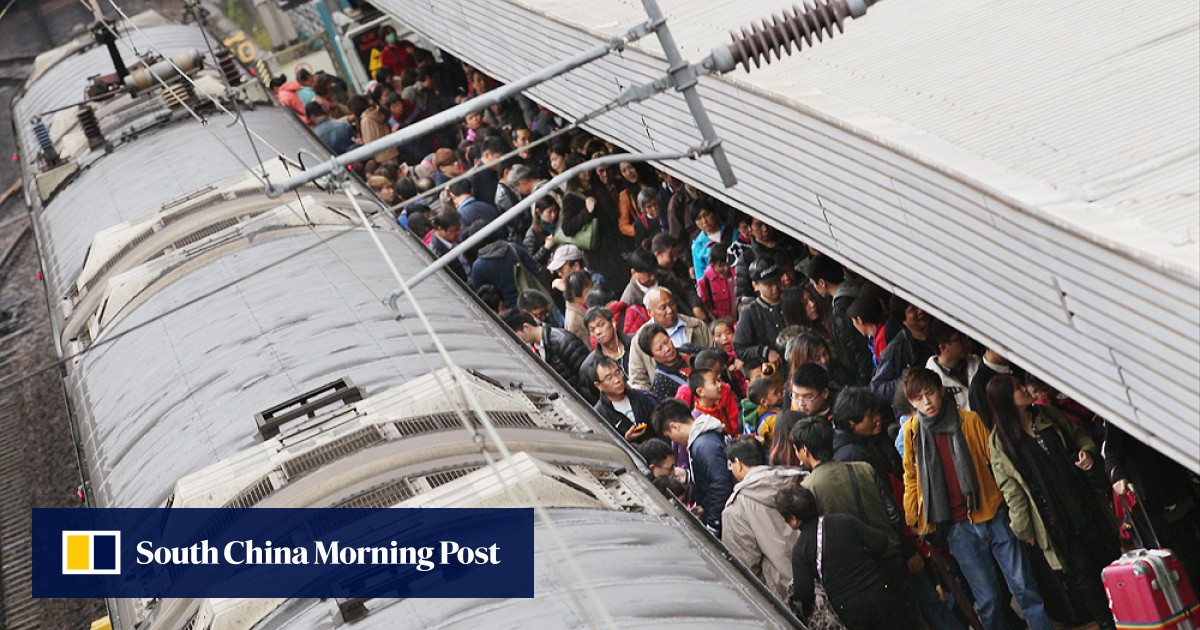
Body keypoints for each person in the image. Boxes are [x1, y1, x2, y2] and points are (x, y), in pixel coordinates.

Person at [900, 367, 1053, 630]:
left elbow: (996, 462)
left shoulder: (968, 420)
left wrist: (1011, 507)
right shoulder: (912, 433)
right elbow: (911, 475)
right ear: (911, 402)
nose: (926, 402)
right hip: (957, 528)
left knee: (1024, 587)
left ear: (940, 392)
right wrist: (913, 514)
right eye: (917, 398)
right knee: (989, 600)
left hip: (992, 513)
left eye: (930, 394)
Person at [987, 374, 1119, 630]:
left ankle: (1128, 614)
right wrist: (1023, 528)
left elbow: (1079, 435)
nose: (1024, 390)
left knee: (1109, 556)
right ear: (1004, 400)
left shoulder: (1045, 415)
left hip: (1083, 501)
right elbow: (1012, 490)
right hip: (1053, 519)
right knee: (1082, 573)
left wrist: (1087, 453)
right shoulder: (1001, 442)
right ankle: (1106, 624)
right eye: (1016, 389)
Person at [777, 484, 902, 630]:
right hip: (880, 590)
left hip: (850, 609)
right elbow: (881, 542)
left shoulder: (801, 549)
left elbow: (803, 594)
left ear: (793, 519)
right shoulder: (843, 520)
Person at [723, 436, 805, 601]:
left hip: (784, 597)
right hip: (822, 581)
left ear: (738, 464)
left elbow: (745, 567)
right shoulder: (799, 481)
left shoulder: (736, 509)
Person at [653, 398, 734, 534]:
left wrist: (713, 525)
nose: (674, 441)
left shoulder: (704, 445)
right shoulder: (705, 437)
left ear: (674, 427)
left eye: (670, 436)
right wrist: (690, 475)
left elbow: (720, 484)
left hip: (726, 518)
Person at [627, 287, 711, 391]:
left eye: (672, 304)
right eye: (663, 308)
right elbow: (638, 381)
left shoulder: (697, 326)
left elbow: (713, 354)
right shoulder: (639, 341)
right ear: (650, 312)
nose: (670, 310)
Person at [808, 254, 872, 387]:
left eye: (813, 284)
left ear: (822, 282)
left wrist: (863, 383)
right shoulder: (858, 288)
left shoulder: (840, 311)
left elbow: (858, 350)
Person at [500, 309, 591, 401]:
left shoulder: (563, 341)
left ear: (526, 327)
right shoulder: (536, 348)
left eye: (515, 336)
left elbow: (588, 376)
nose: (515, 341)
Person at [871, 296, 934, 410]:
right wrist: (909, 383)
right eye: (912, 309)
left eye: (920, 304)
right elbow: (878, 388)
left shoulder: (939, 332)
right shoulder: (897, 349)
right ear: (903, 319)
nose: (920, 311)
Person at [734, 256, 786, 367]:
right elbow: (740, 349)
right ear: (755, 285)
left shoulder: (791, 301)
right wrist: (765, 352)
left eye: (776, 281)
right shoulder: (749, 313)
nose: (775, 287)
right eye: (768, 285)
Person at [590, 357, 657, 443]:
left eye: (617, 373)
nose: (617, 380)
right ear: (598, 385)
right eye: (609, 378)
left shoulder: (638, 396)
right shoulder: (600, 415)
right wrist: (626, 440)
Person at [924, 320, 981, 412]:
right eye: (959, 339)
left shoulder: (976, 362)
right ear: (943, 348)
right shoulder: (931, 382)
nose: (965, 342)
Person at [639, 323, 693, 401]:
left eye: (666, 341)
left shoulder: (689, 349)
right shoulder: (661, 384)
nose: (667, 348)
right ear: (652, 356)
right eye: (659, 349)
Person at [579, 306, 632, 382]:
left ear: (613, 322)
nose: (597, 332)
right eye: (592, 329)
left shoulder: (634, 342)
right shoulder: (590, 367)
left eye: (601, 325)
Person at [697, 242, 736, 321]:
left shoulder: (737, 274)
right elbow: (706, 308)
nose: (726, 268)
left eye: (728, 264)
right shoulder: (704, 282)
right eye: (721, 265)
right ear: (712, 264)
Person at [429, 210, 466, 280]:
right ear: (440, 229)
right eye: (453, 230)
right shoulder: (437, 254)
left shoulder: (456, 240)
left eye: (459, 228)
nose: (458, 233)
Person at [562, 270, 592, 344]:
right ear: (574, 295)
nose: (593, 292)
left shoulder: (585, 304)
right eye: (588, 291)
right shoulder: (574, 322)